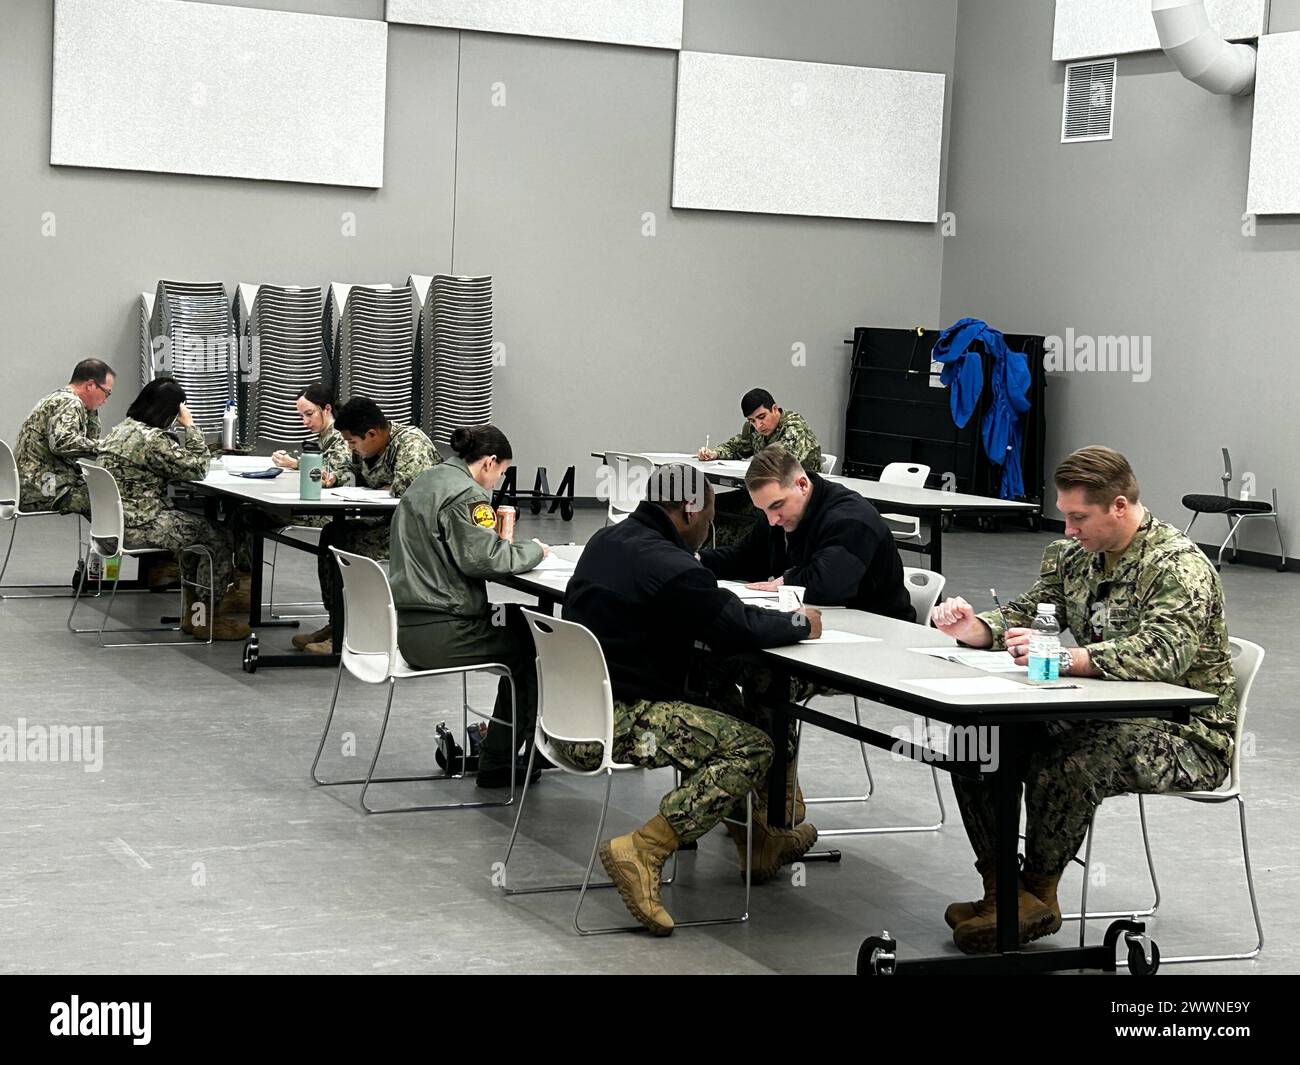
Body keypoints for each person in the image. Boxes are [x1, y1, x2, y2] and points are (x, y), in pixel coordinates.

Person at [930, 445, 1237, 955]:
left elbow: (1163, 655)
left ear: (1119, 506)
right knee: (974, 741)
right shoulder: (1072, 555)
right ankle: (1003, 891)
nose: (1069, 529)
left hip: (1186, 732)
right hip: (1097, 710)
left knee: (1072, 760)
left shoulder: (1178, 567)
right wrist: (979, 628)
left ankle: (1040, 894)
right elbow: (1033, 611)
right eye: (1066, 516)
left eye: (1079, 517)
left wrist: (1067, 657)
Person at [558, 463, 822, 935]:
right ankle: (645, 849)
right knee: (753, 745)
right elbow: (737, 625)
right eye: (709, 517)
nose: (709, 530)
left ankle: (759, 835)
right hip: (617, 723)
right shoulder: (673, 566)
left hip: (568, 717)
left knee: (721, 692)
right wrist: (800, 623)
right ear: (690, 509)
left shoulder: (606, 540)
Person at [389, 424, 550, 789]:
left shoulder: (428, 480)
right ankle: (503, 759)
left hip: (412, 626)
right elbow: (484, 560)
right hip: (444, 631)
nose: (498, 482)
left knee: (520, 621)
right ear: (490, 462)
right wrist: (536, 550)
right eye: (502, 472)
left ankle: (504, 745)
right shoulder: (468, 495)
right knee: (534, 647)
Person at [96, 378, 250, 641]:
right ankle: (207, 619)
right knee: (218, 536)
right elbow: (199, 468)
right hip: (141, 525)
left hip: (115, 524)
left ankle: (193, 614)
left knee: (195, 534)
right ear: (171, 411)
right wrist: (190, 426)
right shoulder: (152, 439)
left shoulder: (120, 429)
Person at [700, 445, 914, 621]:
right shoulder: (778, 516)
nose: (772, 520)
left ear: (802, 485)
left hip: (878, 627)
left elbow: (829, 584)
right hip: (826, 622)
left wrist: (785, 581)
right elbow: (746, 558)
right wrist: (696, 560)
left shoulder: (852, 517)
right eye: (763, 510)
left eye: (776, 506)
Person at [294, 397, 440, 654]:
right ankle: (336, 621)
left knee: (345, 542)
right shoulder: (365, 446)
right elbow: (350, 470)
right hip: (387, 521)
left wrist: (387, 487)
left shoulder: (410, 443)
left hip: (417, 531)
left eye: (353, 442)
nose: (351, 447)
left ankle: (349, 631)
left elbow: (409, 489)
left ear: (373, 433)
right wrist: (335, 477)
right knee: (332, 534)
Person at [696, 388, 823, 546]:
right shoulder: (754, 428)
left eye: (762, 417)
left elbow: (780, 465)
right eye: (752, 420)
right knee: (713, 505)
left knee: (733, 515)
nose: (758, 425)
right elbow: (737, 447)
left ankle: (725, 557)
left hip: (791, 498)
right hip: (766, 491)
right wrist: (714, 453)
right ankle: (708, 556)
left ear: (775, 409)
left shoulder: (794, 429)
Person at [14, 358, 115, 518]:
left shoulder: (59, 398)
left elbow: (85, 440)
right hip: (41, 487)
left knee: (101, 491)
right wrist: (107, 447)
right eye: (106, 392)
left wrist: (92, 413)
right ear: (90, 385)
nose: (106, 399)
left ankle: (105, 542)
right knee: (106, 498)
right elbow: (62, 443)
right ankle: (113, 542)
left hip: (32, 482)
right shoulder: (70, 403)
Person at [269, 383, 354, 484]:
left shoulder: (341, 434)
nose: (305, 422)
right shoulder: (325, 435)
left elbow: (341, 469)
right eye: (302, 416)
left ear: (327, 409)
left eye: (309, 414)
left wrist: (296, 463)